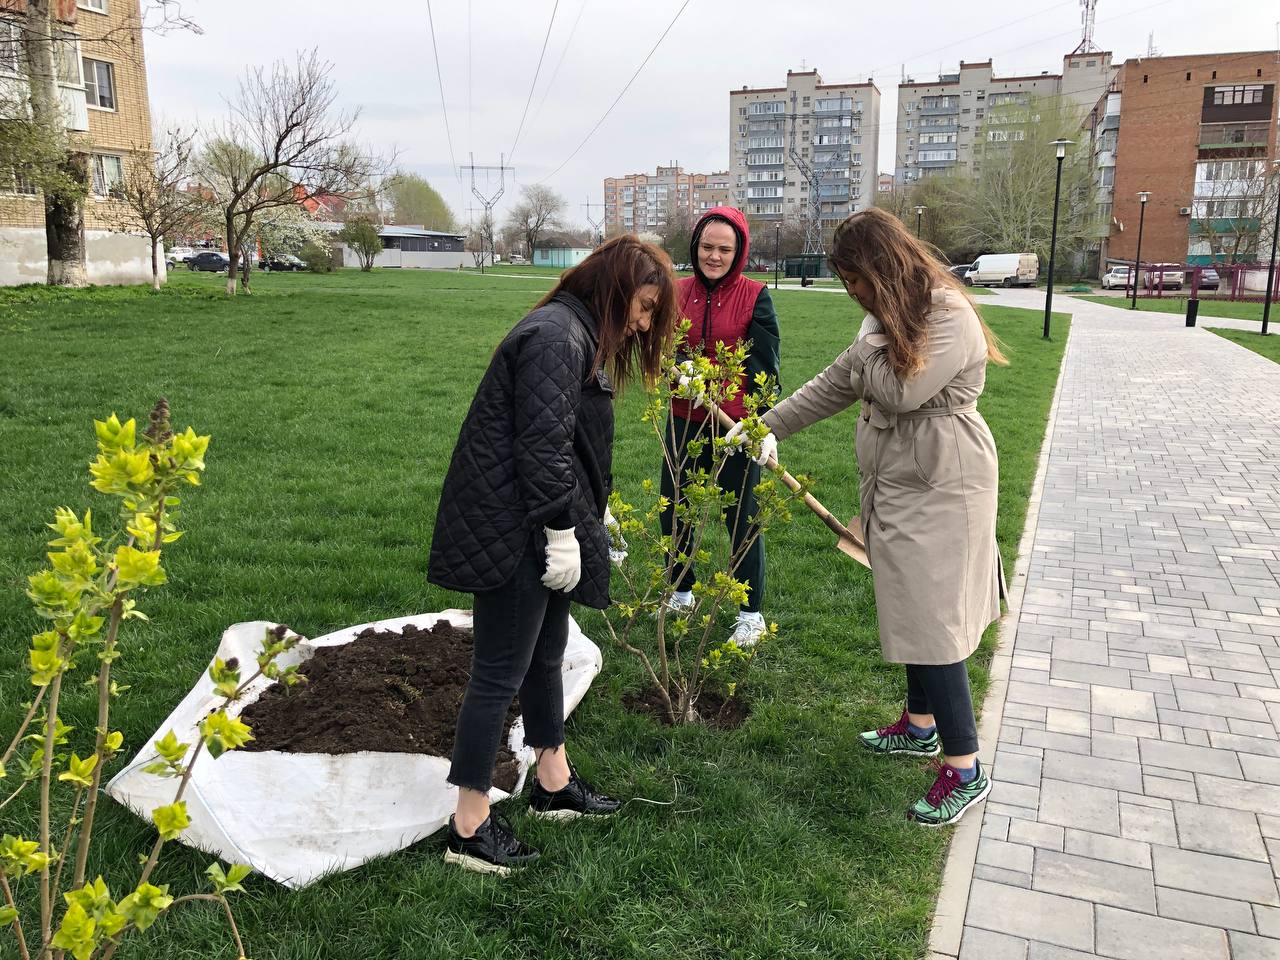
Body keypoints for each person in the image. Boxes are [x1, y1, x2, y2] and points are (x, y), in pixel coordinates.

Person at [746, 207, 1007, 826]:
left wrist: (868, 340)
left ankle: (965, 766)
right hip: (899, 476)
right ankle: (919, 727)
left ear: (882, 269)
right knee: (909, 602)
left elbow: (899, 391)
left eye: (856, 282)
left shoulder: (946, 313)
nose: (851, 294)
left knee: (934, 618)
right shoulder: (891, 320)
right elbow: (838, 381)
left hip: (944, 479)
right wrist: (766, 425)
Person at [428, 235, 678, 873]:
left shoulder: (574, 332)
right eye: (644, 308)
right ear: (615, 291)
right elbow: (541, 449)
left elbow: (567, 442)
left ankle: (552, 782)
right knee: (497, 674)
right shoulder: (557, 337)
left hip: (532, 519)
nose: (644, 324)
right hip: (514, 529)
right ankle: (469, 826)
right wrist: (563, 530)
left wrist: (594, 509)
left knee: (547, 654)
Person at [662, 206, 780, 646]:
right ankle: (681, 590)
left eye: (724, 249)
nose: (714, 256)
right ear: (695, 247)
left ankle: (751, 612)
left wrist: (758, 424)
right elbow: (659, 343)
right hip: (682, 419)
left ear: (739, 251)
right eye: (707, 247)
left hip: (734, 427)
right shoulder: (676, 291)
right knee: (674, 506)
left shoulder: (755, 296)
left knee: (741, 515)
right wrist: (680, 370)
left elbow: (766, 368)